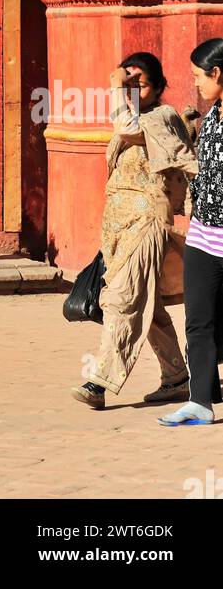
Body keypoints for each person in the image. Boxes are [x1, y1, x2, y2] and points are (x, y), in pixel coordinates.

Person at [71, 53, 197, 411]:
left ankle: (99, 381)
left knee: (122, 299)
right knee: (149, 304)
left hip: (147, 223)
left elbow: (127, 127)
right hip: (118, 225)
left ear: (157, 87)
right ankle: (177, 379)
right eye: (127, 83)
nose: (129, 89)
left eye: (138, 83)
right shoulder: (130, 118)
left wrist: (114, 88)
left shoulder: (162, 117)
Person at [160, 38, 223, 426]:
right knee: (198, 318)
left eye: (201, 77)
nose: (196, 85)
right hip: (203, 234)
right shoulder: (212, 114)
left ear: (218, 74)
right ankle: (201, 398)